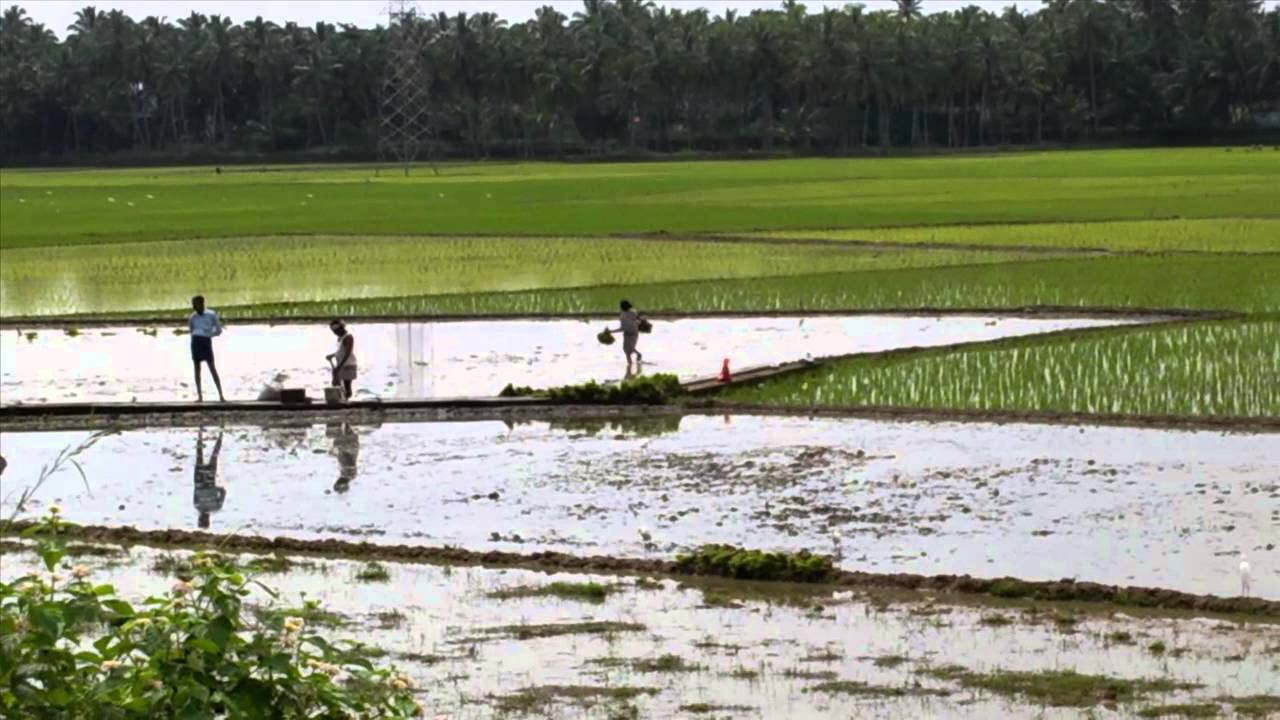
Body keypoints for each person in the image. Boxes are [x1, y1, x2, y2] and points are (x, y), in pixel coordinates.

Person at [189, 295, 226, 402]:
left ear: (202, 304)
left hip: (205, 341)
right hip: (196, 342)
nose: (194, 307)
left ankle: (221, 395)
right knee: (197, 369)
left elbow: (218, 330)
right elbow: (191, 330)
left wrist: (209, 334)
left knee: (212, 368)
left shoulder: (211, 315)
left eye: (196, 305)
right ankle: (200, 396)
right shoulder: (193, 317)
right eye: (193, 305)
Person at [192, 428, 226, 529]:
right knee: (199, 456)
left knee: (214, 456)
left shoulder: (216, 507)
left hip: (210, 480)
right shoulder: (196, 505)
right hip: (199, 480)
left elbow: (223, 492)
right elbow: (195, 491)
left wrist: (215, 489)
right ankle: (200, 434)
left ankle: (221, 434)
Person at [607, 300, 644, 371]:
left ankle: (631, 364)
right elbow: (639, 320)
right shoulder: (633, 312)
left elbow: (622, 328)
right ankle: (630, 365)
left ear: (622, 307)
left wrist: (611, 331)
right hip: (634, 332)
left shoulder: (623, 316)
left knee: (627, 349)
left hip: (628, 333)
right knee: (629, 349)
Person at [326, 319, 357, 400]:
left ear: (341, 328)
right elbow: (341, 351)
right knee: (336, 384)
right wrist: (332, 355)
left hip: (348, 365)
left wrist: (339, 367)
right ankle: (341, 400)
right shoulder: (340, 338)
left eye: (336, 331)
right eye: (333, 331)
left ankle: (345, 401)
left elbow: (348, 353)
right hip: (341, 364)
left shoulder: (348, 337)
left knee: (347, 386)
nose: (334, 333)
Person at [326, 421, 360, 493]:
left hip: (350, 447)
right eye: (337, 482)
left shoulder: (348, 474)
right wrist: (340, 451)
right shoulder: (348, 473)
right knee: (341, 431)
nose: (337, 480)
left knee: (347, 429)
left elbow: (346, 460)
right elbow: (348, 461)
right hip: (348, 447)